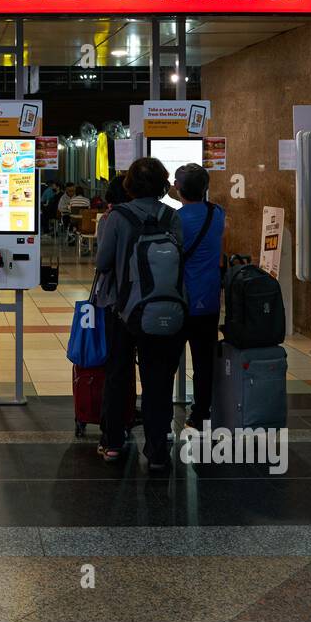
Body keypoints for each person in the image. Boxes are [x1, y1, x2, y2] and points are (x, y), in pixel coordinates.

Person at [92, 158, 185, 471]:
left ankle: (113, 443)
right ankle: (158, 451)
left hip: (124, 310)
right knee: (158, 380)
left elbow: (103, 263)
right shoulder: (171, 216)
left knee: (118, 375)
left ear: (129, 185)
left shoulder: (118, 217)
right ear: (162, 184)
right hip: (166, 307)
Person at [171, 163, 225, 435]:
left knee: (167, 360)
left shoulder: (175, 219)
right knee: (204, 360)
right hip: (209, 299)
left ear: (178, 187)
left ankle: (163, 417)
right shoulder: (217, 213)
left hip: (179, 299)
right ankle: (200, 414)